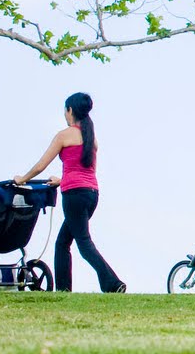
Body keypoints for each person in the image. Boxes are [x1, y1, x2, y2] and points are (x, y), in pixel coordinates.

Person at [14, 92, 125, 293]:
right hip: (91, 194)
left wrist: (22, 179)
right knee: (62, 242)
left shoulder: (64, 135)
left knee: (83, 242)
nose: (65, 115)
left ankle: (113, 283)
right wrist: (61, 180)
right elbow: (86, 172)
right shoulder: (92, 138)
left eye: (65, 111)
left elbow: (40, 166)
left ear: (70, 110)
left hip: (74, 195)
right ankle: (64, 290)